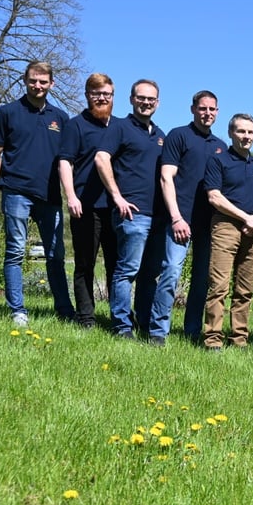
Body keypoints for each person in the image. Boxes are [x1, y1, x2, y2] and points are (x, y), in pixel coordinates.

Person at [0, 60, 74, 326]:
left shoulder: (61, 117)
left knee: (55, 255)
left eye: (43, 81)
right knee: (14, 252)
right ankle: (18, 311)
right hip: (16, 193)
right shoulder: (8, 112)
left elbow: (66, 161)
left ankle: (64, 310)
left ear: (51, 84)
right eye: (33, 80)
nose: (38, 85)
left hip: (49, 197)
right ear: (25, 80)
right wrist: (4, 183)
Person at [147, 91, 228, 346]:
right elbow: (166, 177)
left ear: (217, 112)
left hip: (209, 224)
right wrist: (176, 217)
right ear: (193, 109)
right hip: (180, 220)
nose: (207, 113)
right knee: (171, 271)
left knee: (202, 279)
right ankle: (158, 331)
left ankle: (192, 331)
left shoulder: (221, 146)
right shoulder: (178, 135)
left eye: (212, 109)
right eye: (203, 108)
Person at [94, 79, 165, 339]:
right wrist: (117, 197)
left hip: (157, 216)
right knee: (127, 271)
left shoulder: (160, 136)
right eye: (141, 97)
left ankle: (144, 323)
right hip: (132, 214)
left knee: (150, 274)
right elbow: (101, 158)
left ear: (157, 103)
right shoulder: (120, 128)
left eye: (151, 99)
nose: (146, 102)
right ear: (132, 99)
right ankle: (122, 326)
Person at [202, 114, 253, 350]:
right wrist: (246, 217)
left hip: (252, 230)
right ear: (231, 133)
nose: (246, 136)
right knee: (219, 286)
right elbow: (214, 197)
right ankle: (213, 340)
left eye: (250, 132)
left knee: (245, 288)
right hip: (225, 227)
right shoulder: (218, 160)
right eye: (241, 131)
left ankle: (239, 339)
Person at [57, 72, 115, 330]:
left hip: (115, 208)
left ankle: (120, 317)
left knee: (117, 266)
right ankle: (86, 318)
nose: (102, 98)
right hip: (85, 206)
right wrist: (71, 196)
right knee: (84, 264)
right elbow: (65, 162)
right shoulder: (75, 125)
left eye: (106, 94)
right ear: (87, 95)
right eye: (97, 93)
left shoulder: (120, 126)